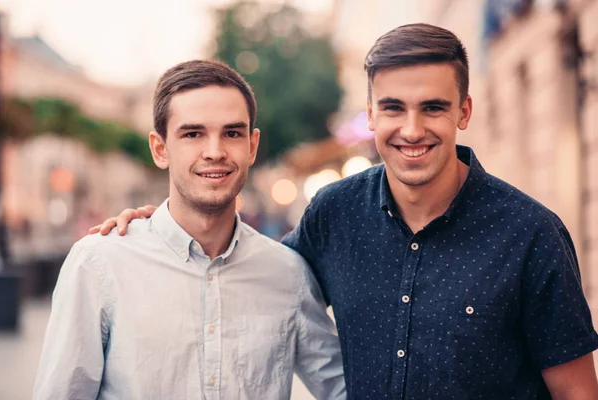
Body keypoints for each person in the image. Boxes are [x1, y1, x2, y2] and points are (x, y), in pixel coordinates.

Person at [93, 24, 598, 399]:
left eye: (435, 108)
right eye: (394, 107)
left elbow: (577, 392)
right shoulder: (334, 213)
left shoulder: (530, 234)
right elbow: (246, 271)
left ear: (464, 111)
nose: (413, 128)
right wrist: (159, 226)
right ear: (372, 114)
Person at [34, 60, 345, 400]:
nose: (215, 152)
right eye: (193, 134)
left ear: (252, 146)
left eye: (232, 133)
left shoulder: (287, 274)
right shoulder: (98, 264)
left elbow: (346, 389)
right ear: (160, 148)